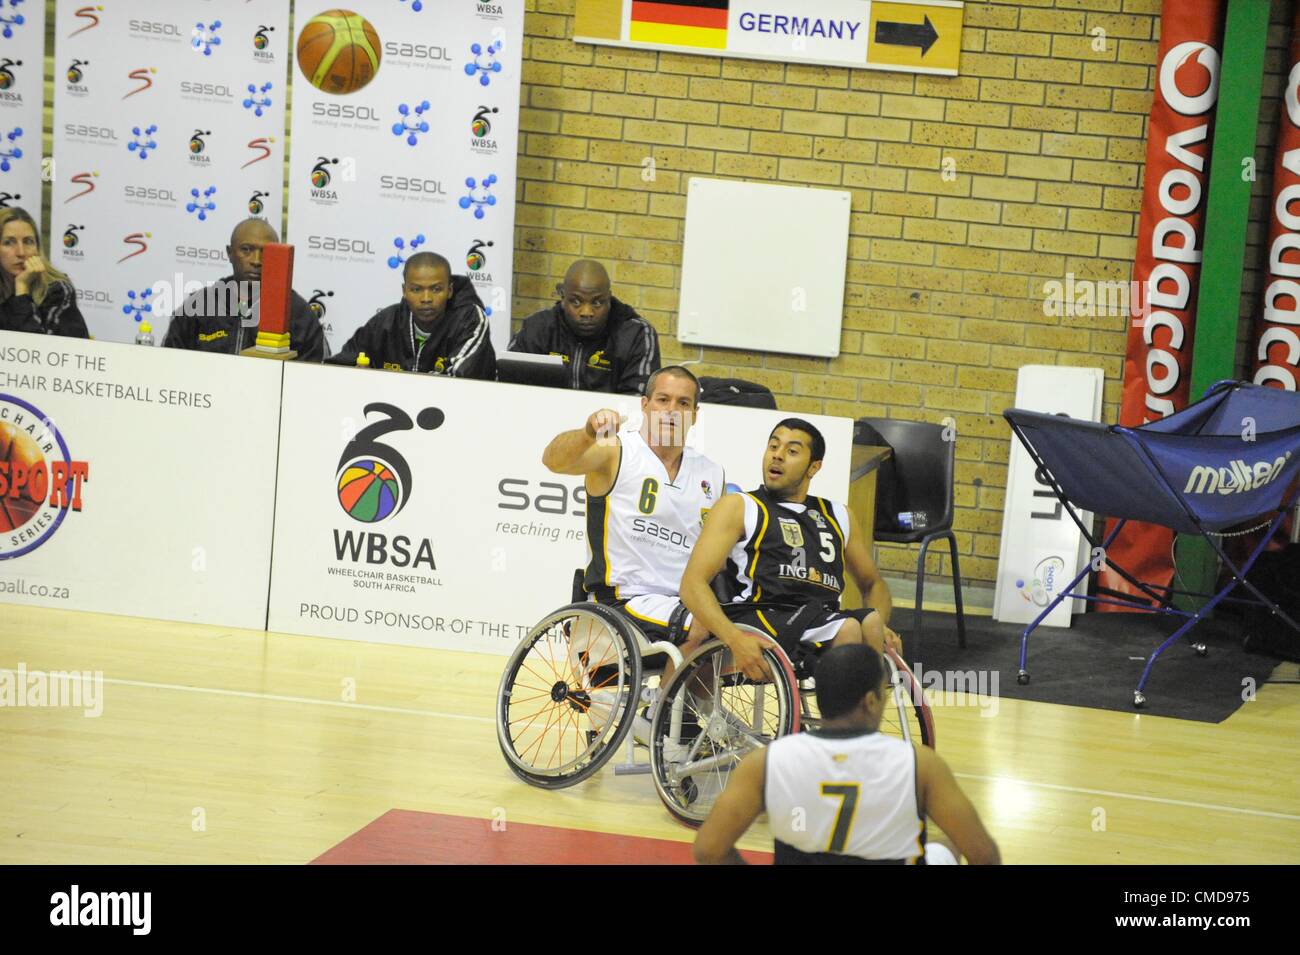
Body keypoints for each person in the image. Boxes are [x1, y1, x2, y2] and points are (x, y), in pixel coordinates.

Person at [694, 643, 1001, 865]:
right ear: (870, 701)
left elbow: (709, 850)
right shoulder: (920, 764)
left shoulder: (765, 761)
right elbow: (984, 856)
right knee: (946, 845)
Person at [679, 418, 901, 682]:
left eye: (792, 451)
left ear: (814, 467)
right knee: (848, 628)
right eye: (773, 446)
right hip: (761, 613)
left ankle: (861, 711)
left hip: (818, 617)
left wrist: (883, 624)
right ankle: (843, 719)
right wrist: (734, 638)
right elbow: (692, 583)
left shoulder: (838, 515)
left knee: (872, 622)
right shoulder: (740, 506)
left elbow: (872, 583)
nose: (778, 455)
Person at [163, 218, 326, 360]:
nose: (256, 261)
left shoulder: (298, 313)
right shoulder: (199, 306)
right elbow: (167, 363)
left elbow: (314, 375)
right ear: (230, 253)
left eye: (265, 252)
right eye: (246, 249)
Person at [328, 251, 495, 378]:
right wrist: (354, 376)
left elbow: (458, 380)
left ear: (449, 290)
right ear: (404, 291)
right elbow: (337, 368)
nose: (426, 298)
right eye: (416, 289)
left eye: (436, 289)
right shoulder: (386, 322)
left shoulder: (469, 319)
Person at [510, 259, 659, 394]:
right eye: (576, 301)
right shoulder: (537, 328)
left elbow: (638, 401)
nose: (586, 312)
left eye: (597, 302)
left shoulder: (636, 334)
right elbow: (508, 385)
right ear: (563, 298)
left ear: (609, 299)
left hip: (609, 422)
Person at [0, 207, 89, 338]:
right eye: (9, 242)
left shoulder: (57, 290)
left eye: (28, 242)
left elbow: (36, 351)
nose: (21, 252)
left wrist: (22, 290)